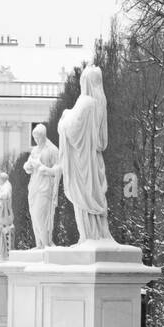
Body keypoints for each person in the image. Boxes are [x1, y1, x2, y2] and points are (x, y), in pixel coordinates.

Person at [58, 65, 113, 243]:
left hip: (82, 163)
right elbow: (101, 141)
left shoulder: (85, 102)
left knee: (83, 200)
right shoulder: (100, 102)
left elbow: (72, 130)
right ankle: (98, 233)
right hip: (94, 160)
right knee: (95, 196)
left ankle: (89, 236)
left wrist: (65, 115)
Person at [24, 124, 60, 248]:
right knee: (34, 216)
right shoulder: (35, 150)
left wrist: (45, 169)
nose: (37, 140)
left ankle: (46, 244)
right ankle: (39, 244)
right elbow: (28, 166)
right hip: (34, 187)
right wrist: (28, 167)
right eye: (35, 138)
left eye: (39, 138)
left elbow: (59, 168)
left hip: (45, 188)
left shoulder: (52, 150)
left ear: (44, 136)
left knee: (41, 216)